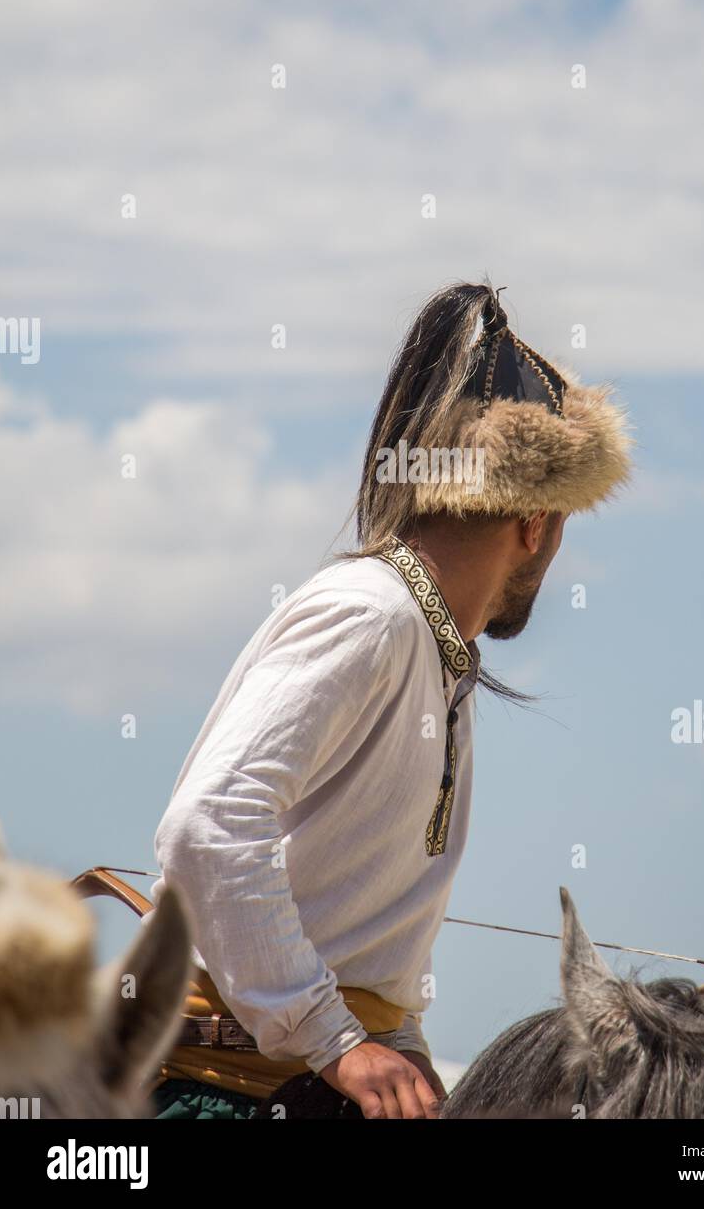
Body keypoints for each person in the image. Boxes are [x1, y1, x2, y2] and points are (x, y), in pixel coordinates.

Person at [151, 281, 631, 1119]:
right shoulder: (373, 616)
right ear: (536, 522)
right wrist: (337, 1039)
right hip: (231, 1092)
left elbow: (362, 949)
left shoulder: (440, 650)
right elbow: (209, 824)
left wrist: (395, 1044)